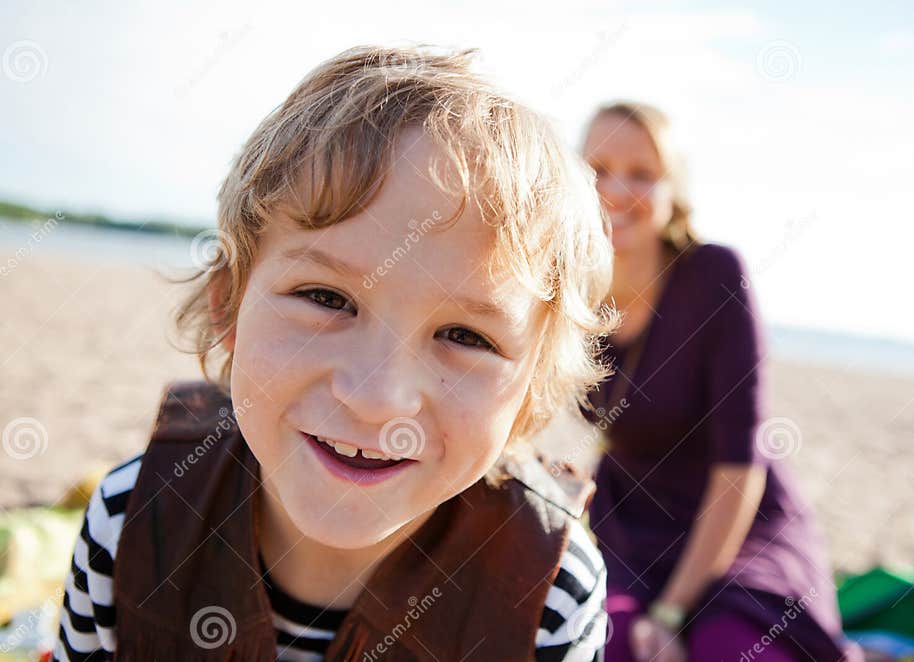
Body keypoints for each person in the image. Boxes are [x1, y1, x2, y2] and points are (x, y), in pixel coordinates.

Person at [52, 46, 621, 661]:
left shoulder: (550, 591)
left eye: (465, 336)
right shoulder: (132, 521)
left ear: (533, 383)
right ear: (229, 305)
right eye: (326, 297)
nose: (377, 399)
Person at [580, 101, 862, 661]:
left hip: (739, 522)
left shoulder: (713, 276)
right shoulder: (563, 285)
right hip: (630, 525)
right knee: (611, 644)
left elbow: (740, 464)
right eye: (597, 169)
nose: (615, 189)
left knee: (732, 649)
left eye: (641, 173)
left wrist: (670, 611)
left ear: (672, 191)